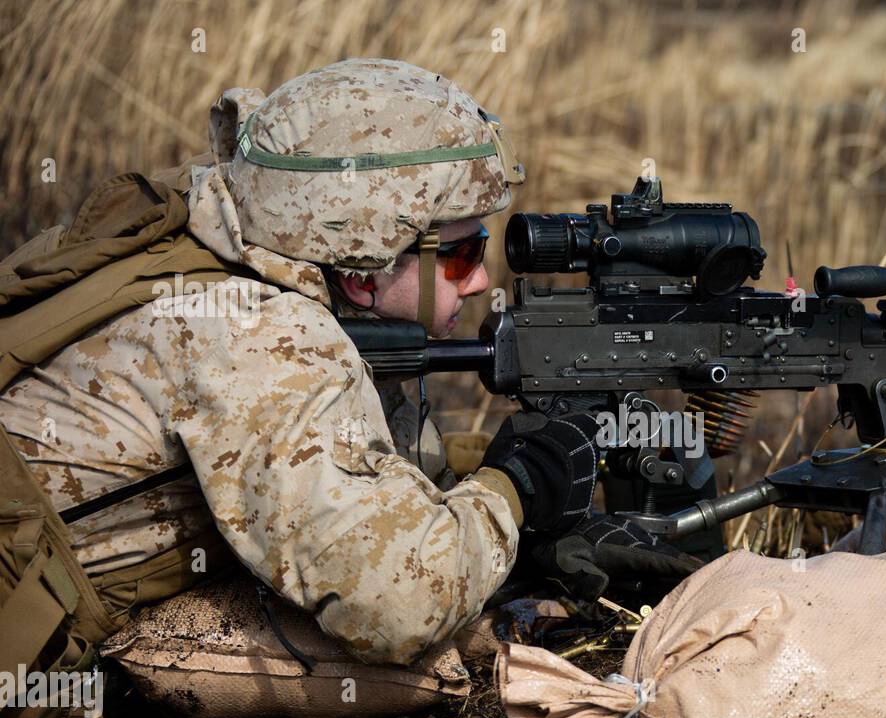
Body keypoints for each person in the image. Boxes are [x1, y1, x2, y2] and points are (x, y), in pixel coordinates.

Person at [0, 58, 631, 679]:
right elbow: (397, 604)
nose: (481, 281)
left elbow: (351, 466)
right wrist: (516, 488)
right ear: (361, 272)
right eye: (461, 253)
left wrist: (476, 467)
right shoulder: (264, 337)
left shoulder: (226, 231)